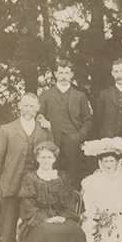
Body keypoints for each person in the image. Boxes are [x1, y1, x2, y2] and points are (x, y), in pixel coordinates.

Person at [2, 141, 91, 242]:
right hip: (37, 219)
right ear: (37, 158)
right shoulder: (30, 178)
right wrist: (46, 218)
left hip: (61, 215)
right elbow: (27, 205)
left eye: (49, 157)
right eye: (43, 157)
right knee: (47, 230)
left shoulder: (62, 177)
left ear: (54, 159)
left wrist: (63, 217)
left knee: (75, 230)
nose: (46, 160)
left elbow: (69, 201)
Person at [0, 93, 52, 242]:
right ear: (19, 106)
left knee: (34, 221)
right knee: (8, 224)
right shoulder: (7, 129)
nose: (29, 109)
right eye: (26, 105)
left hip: (35, 185)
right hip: (10, 183)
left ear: (38, 108)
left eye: (32, 106)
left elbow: (51, 154)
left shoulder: (44, 129)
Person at [37, 60, 94, 189]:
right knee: (51, 174)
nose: (63, 76)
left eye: (66, 73)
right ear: (56, 74)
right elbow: (38, 114)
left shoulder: (80, 96)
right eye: (61, 73)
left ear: (71, 75)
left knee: (73, 175)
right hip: (52, 141)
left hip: (73, 141)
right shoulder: (46, 95)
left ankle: (72, 207)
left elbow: (88, 120)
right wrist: (42, 119)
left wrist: (79, 136)